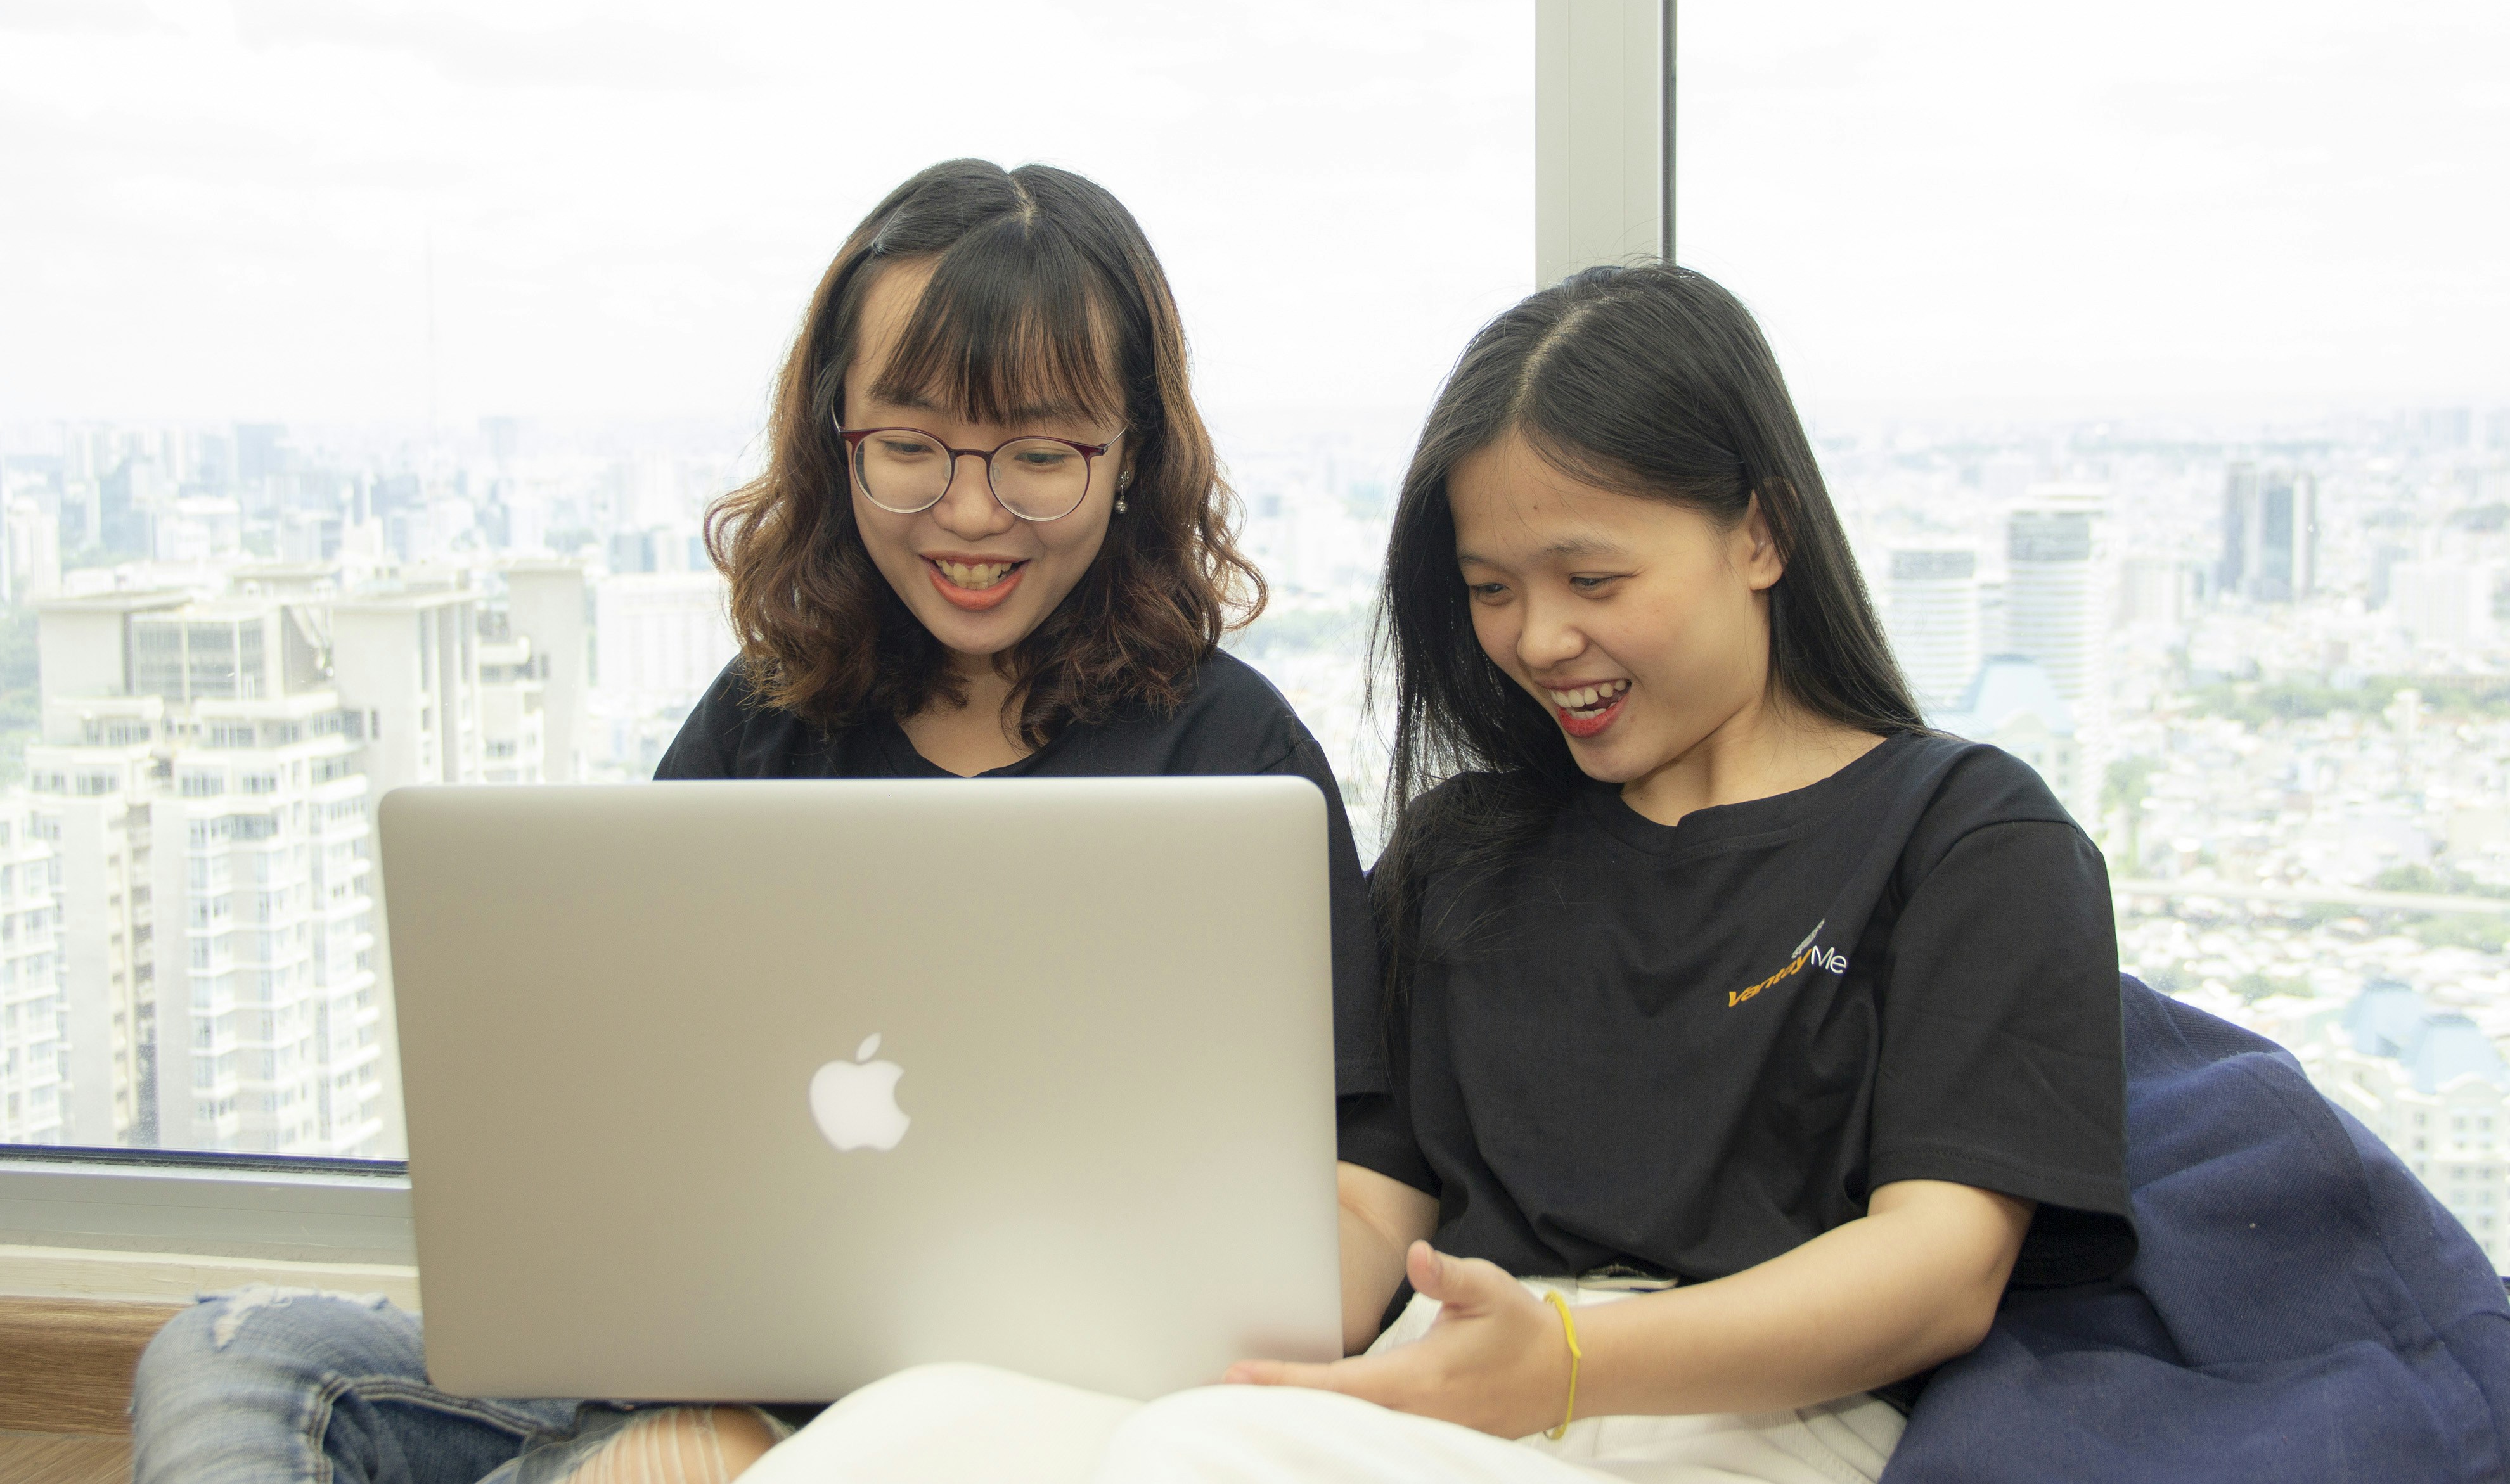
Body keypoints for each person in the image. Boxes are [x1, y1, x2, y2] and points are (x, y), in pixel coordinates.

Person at [745, 262, 2134, 1483]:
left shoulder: (1964, 835)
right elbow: (1367, 1223)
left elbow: (1943, 1269)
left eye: (1590, 579)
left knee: (1192, 1458)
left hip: (1741, 1415)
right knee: (906, 1431)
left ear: (1758, 533)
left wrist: (1575, 1356)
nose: (1535, 640)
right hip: (1429, 1390)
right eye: (1489, 588)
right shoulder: (1466, 852)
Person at [130, 160, 1382, 1484]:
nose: (968, 509)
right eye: (908, 446)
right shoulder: (765, 718)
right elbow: (611, 1106)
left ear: (1131, 454)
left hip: (1042, 1423)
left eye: (1038, 453)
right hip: (712, 1371)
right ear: (834, 435)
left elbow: (1368, 1199)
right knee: (234, 1343)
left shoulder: (1231, 759)